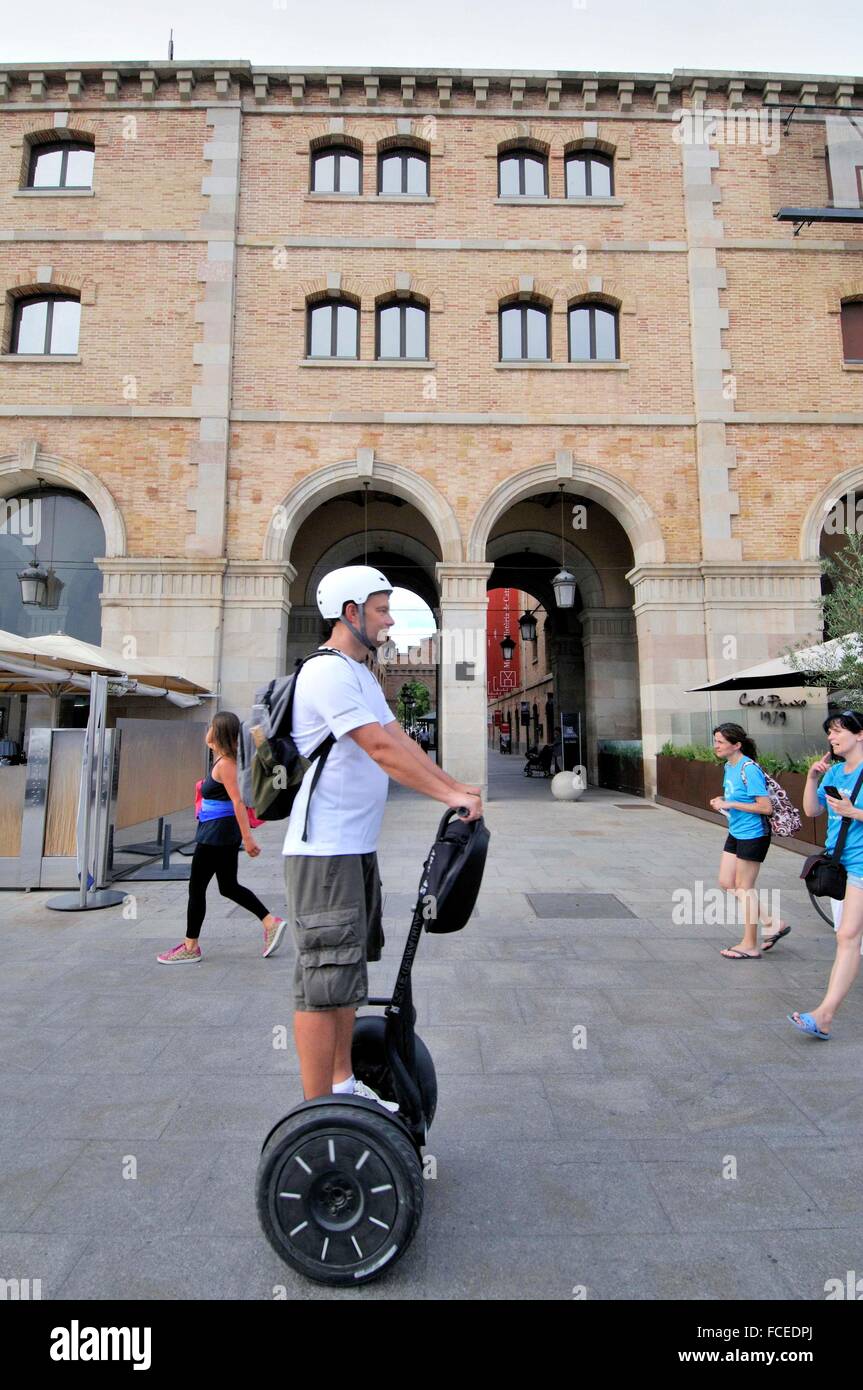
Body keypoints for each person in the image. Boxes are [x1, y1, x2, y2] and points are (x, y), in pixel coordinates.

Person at [283, 564, 483, 1111]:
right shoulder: (326, 673)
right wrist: (446, 798)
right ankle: (316, 1112)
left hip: (352, 849)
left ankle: (344, 1084)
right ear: (351, 613)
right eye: (381, 610)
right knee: (322, 981)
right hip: (323, 853)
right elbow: (379, 748)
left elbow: (399, 737)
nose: (391, 621)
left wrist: (452, 785)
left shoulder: (363, 673)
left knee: (346, 973)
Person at [157, 712, 286, 963]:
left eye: (211, 727)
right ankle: (270, 922)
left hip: (215, 835)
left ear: (217, 733)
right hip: (219, 831)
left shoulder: (226, 764)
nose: (207, 731)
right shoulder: (223, 760)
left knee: (197, 888)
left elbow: (238, 802)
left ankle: (190, 946)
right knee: (228, 886)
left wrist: (248, 838)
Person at [789, 709, 863, 1039]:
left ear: (859, 734)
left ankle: (824, 1014)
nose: (831, 738)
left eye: (838, 731)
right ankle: (824, 1014)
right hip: (840, 865)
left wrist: (854, 812)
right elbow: (812, 810)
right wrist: (811, 778)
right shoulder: (834, 774)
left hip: (861, 865)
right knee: (847, 938)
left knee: (847, 937)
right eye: (829, 732)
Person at [708, 722, 786, 960]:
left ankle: (750, 944)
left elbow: (765, 807)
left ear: (736, 745)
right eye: (716, 741)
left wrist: (730, 804)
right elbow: (737, 796)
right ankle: (773, 922)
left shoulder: (748, 768)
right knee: (726, 882)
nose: (716, 746)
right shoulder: (728, 767)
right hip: (736, 831)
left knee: (744, 888)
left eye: (720, 742)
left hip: (754, 834)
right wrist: (722, 799)